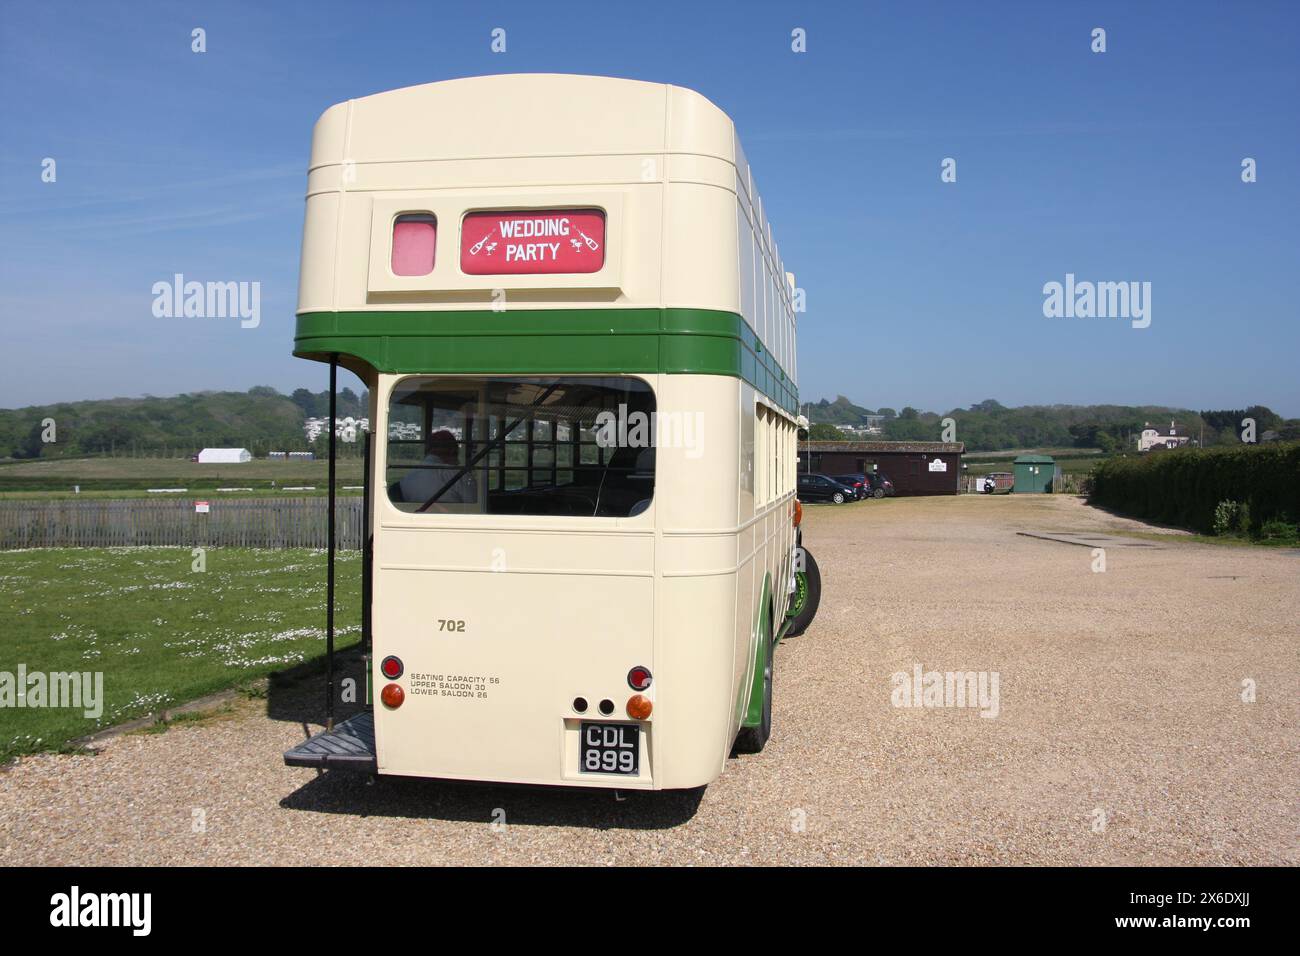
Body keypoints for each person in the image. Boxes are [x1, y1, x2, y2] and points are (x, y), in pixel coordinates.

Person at [398, 429, 474, 505]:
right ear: (452, 451)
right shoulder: (458, 475)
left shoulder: (407, 478)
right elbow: (475, 506)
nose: (458, 461)